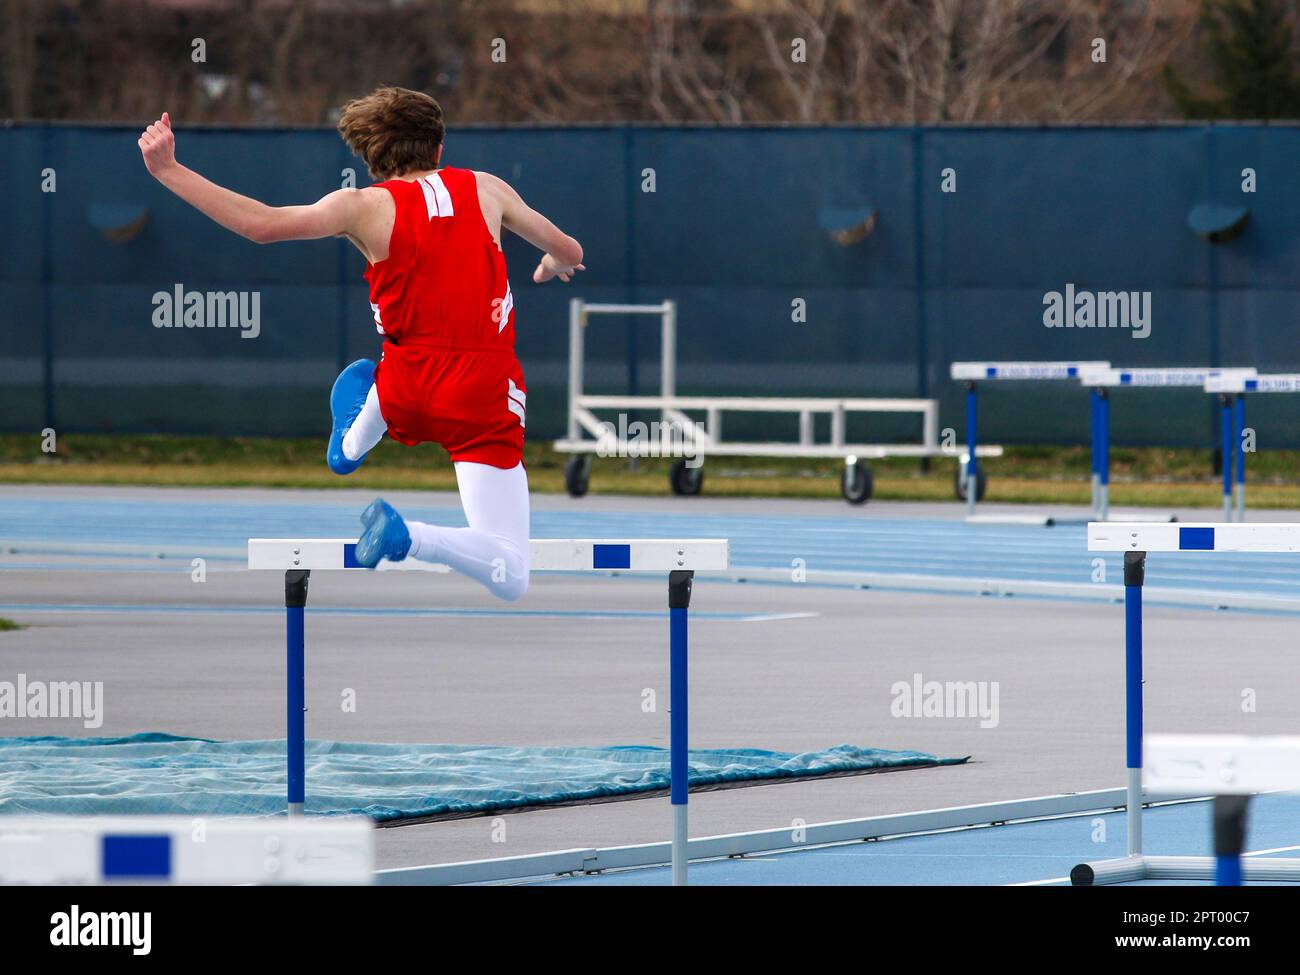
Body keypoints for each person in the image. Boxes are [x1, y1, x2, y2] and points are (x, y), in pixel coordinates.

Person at [137, 87, 584, 601]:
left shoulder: (361, 205)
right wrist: (554, 264)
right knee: (511, 572)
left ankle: (349, 446)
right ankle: (409, 535)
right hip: (484, 393)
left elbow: (262, 225)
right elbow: (569, 248)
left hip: (406, 387)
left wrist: (169, 170)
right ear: (440, 149)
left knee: (391, 372)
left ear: (372, 158)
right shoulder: (487, 188)